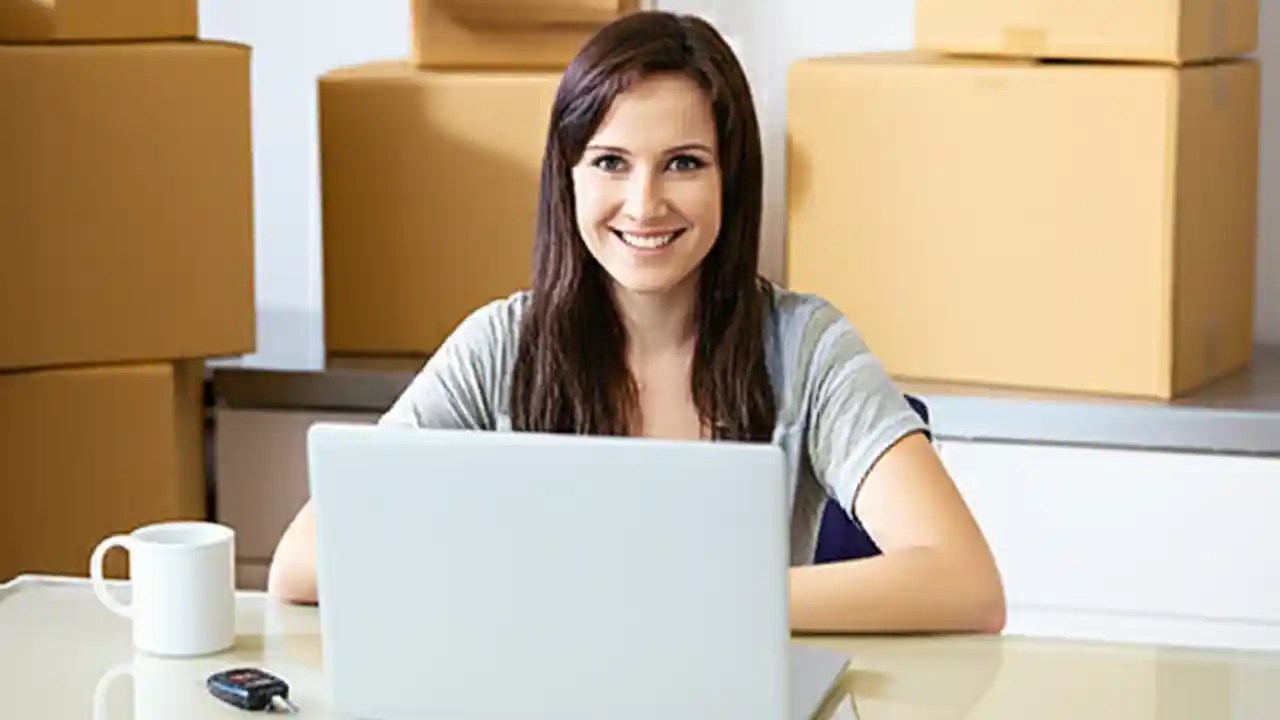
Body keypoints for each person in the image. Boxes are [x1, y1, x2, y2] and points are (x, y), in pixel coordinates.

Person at [268, 10, 1005, 634]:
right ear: (568, 177)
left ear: (732, 178)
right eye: (611, 161)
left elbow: (966, 582)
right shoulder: (501, 346)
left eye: (683, 163)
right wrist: (541, 598)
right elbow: (301, 561)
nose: (645, 203)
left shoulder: (804, 347)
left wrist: (677, 605)